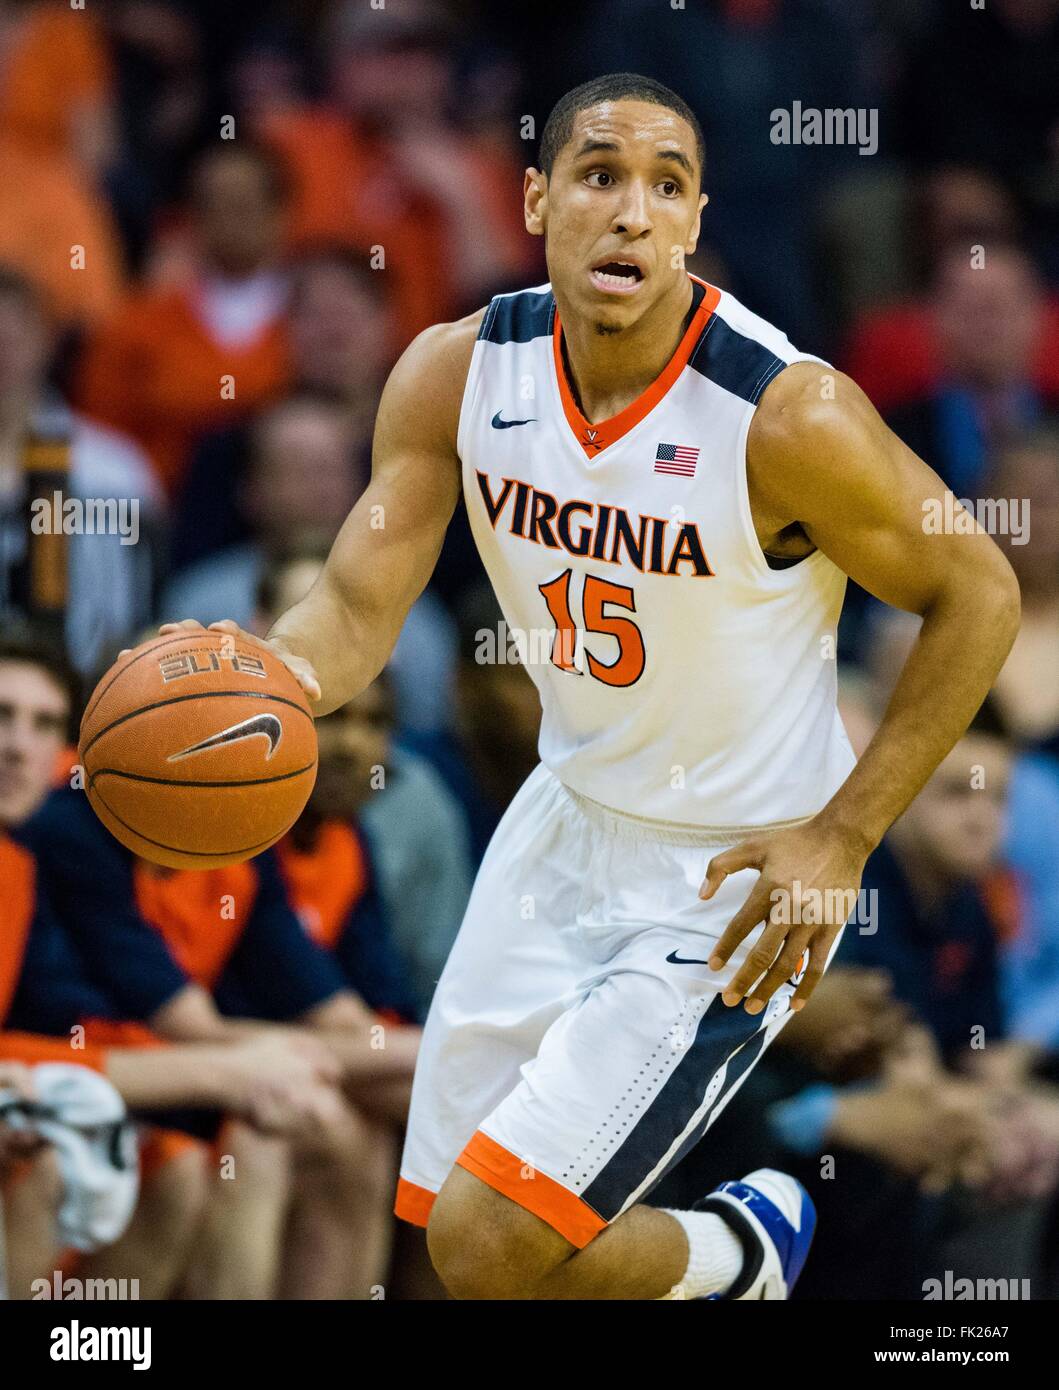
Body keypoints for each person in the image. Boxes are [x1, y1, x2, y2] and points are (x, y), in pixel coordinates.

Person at [157, 73, 1021, 1302]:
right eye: (602, 176)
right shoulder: (457, 374)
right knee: (459, 1250)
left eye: (667, 187)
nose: (633, 212)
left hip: (732, 872)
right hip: (561, 826)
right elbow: (355, 604)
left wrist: (841, 837)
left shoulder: (787, 415)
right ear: (535, 197)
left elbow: (978, 590)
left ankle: (741, 1258)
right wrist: (270, 680)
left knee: (495, 1239)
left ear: (696, 217)